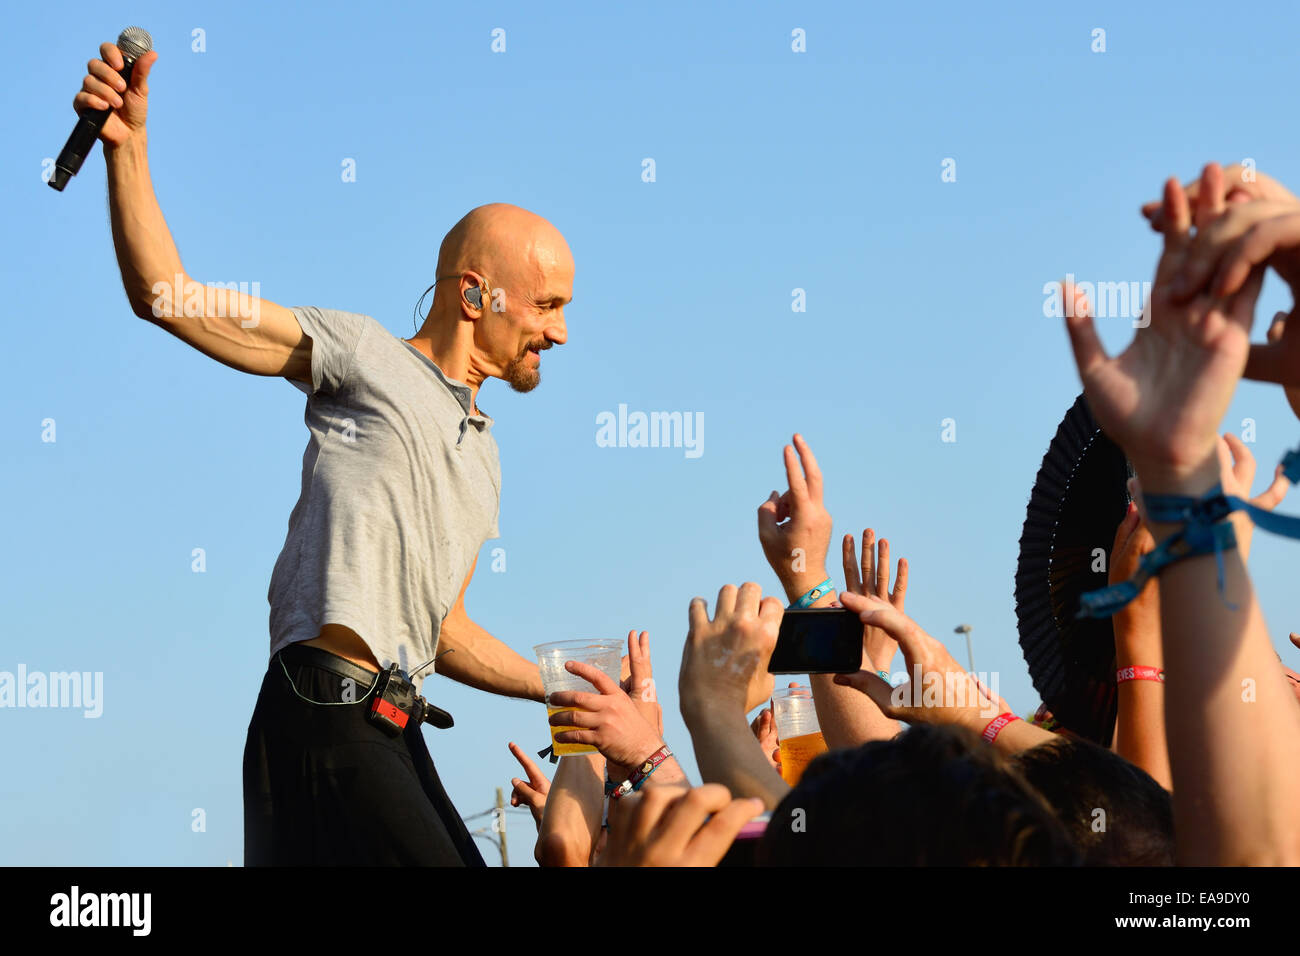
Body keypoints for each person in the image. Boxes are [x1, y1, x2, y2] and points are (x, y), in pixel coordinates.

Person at [73, 40, 573, 865]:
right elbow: (168, 296)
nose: (560, 330)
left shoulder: (482, 458)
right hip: (321, 715)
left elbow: (441, 629)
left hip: (392, 726)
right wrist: (128, 149)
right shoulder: (364, 353)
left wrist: (556, 685)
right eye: (548, 304)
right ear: (476, 293)